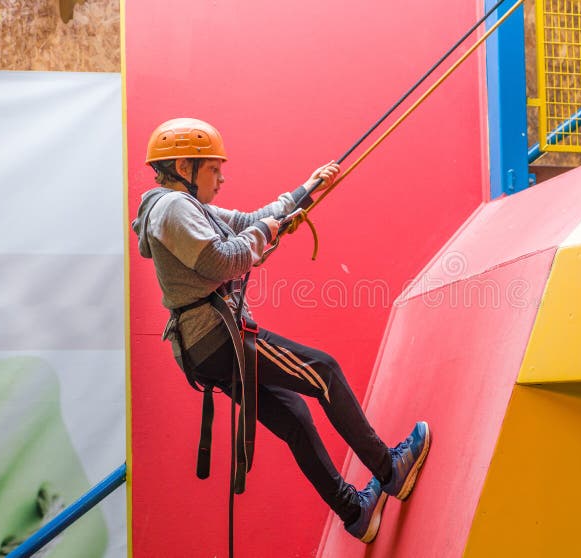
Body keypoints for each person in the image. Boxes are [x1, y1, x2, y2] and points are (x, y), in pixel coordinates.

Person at [131, 117, 430, 543]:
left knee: (293, 417)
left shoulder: (186, 207)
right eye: (213, 168)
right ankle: (390, 469)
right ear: (183, 167)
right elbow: (223, 260)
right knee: (324, 372)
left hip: (204, 346)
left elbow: (248, 220)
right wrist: (263, 232)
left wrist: (307, 189)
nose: (221, 178)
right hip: (216, 338)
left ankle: (355, 513)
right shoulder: (174, 208)